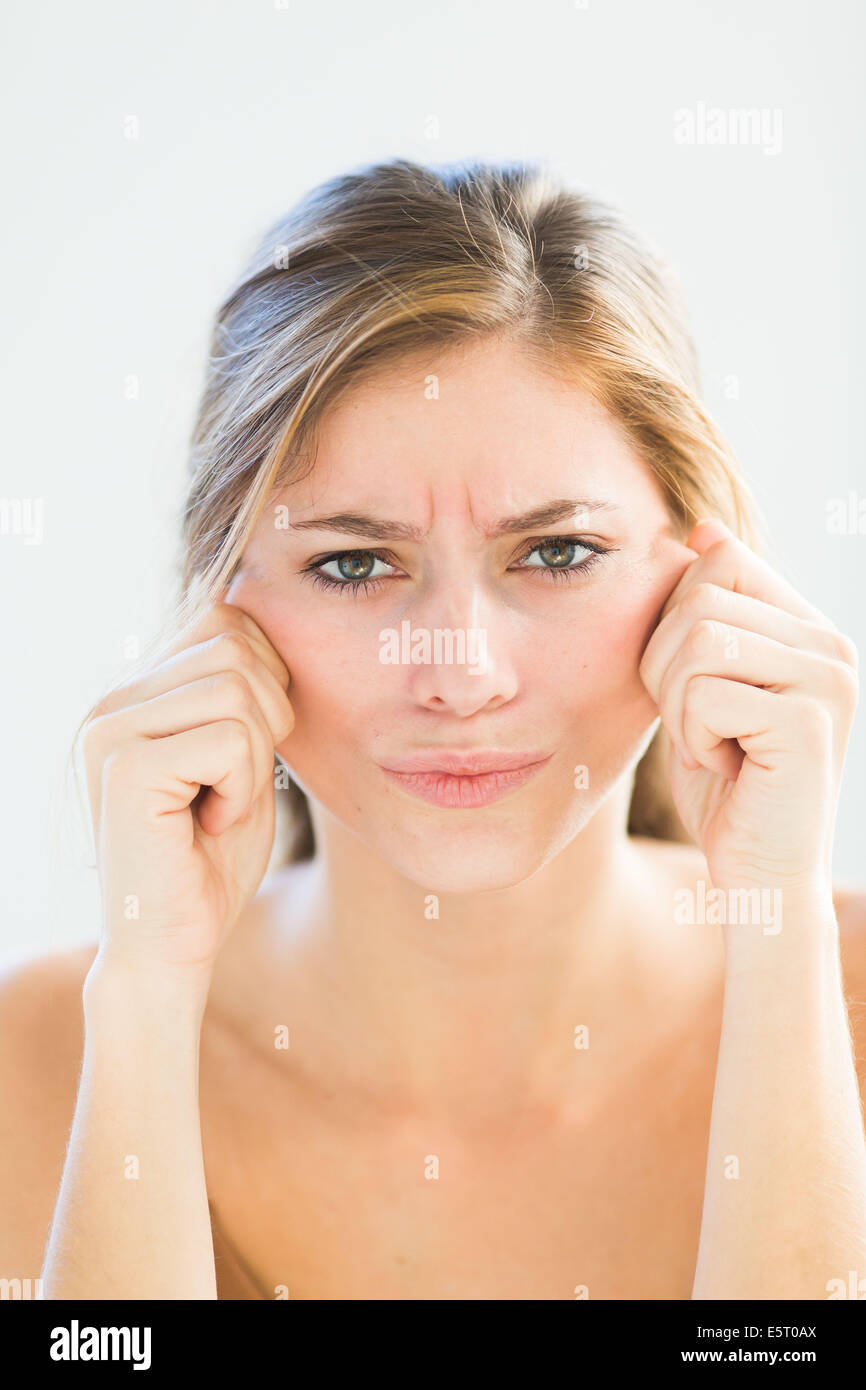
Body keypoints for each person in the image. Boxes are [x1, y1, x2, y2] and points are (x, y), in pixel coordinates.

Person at [2, 159, 865, 1300]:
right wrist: (149, 1005)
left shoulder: (836, 986)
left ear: (705, 576)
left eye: (555, 553)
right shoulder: (39, 1059)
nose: (458, 675)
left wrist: (777, 933)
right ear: (223, 599)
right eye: (352, 562)